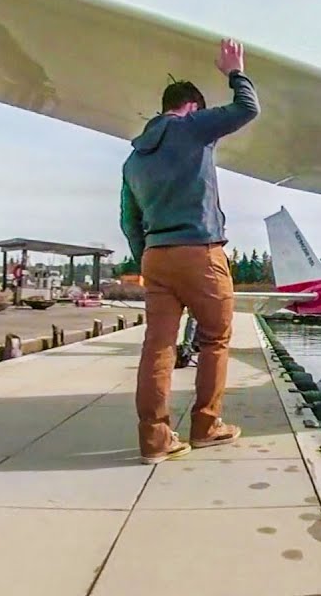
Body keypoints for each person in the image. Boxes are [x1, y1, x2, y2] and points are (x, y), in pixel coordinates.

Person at [120, 38, 259, 464]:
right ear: (193, 107)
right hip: (199, 251)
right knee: (215, 338)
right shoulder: (192, 127)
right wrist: (235, 71)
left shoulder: (133, 159)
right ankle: (205, 425)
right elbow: (247, 109)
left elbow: (129, 221)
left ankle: (155, 440)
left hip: (156, 256)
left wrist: (148, 256)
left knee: (157, 347)